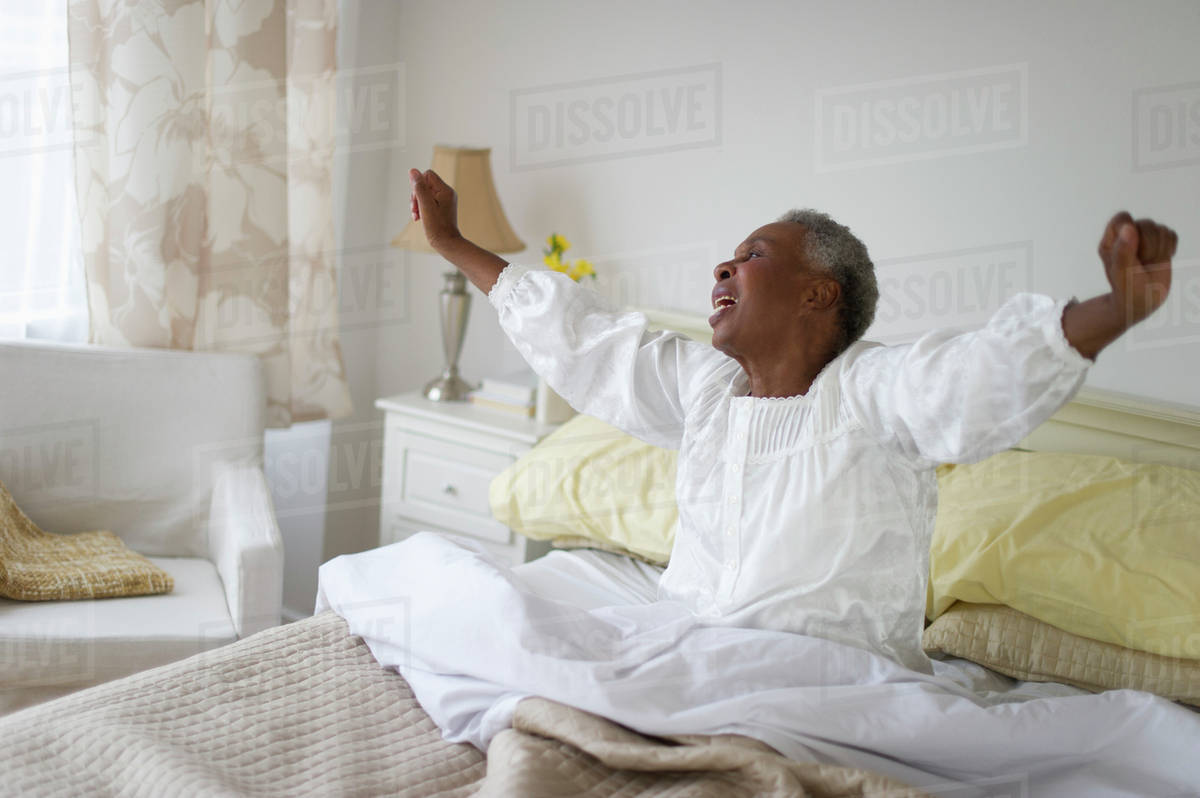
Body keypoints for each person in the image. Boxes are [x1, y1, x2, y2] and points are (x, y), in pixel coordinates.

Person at [316, 169, 1194, 796]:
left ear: (820, 295)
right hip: (682, 632)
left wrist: (1116, 308)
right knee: (410, 580)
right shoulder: (705, 388)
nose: (722, 269)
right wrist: (453, 243)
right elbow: (586, 342)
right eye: (727, 257)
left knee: (1130, 746)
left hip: (825, 675)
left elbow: (980, 375)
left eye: (754, 255)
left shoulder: (875, 391)